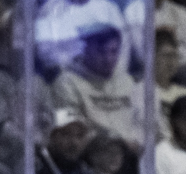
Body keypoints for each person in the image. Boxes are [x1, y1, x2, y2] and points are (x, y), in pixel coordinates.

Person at [51, 23, 145, 158]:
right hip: (94, 155)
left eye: (113, 51)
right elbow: (72, 132)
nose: (108, 59)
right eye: (101, 51)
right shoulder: (66, 83)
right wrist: (117, 141)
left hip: (133, 153)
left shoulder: (127, 81)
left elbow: (141, 120)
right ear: (85, 50)